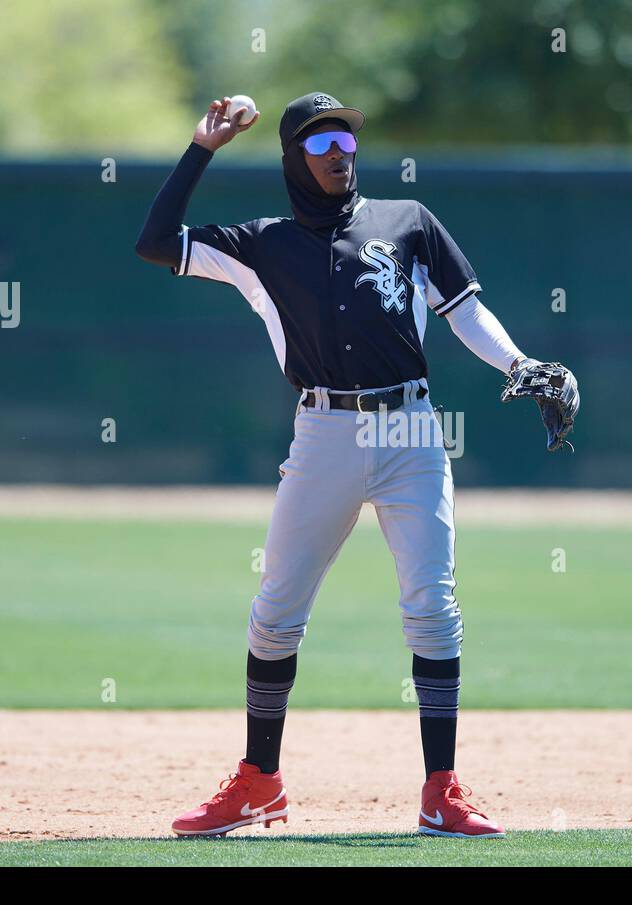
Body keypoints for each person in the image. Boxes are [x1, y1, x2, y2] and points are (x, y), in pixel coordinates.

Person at [136, 92, 551, 838]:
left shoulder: (409, 222)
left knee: (432, 606)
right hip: (325, 432)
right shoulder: (261, 244)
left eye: (347, 142)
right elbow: (157, 240)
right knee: (275, 613)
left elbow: (463, 310)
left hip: (412, 432)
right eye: (322, 142)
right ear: (296, 158)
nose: (339, 153)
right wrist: (202, 147)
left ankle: (441, 792)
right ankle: (259, 781)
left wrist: (519, 362)